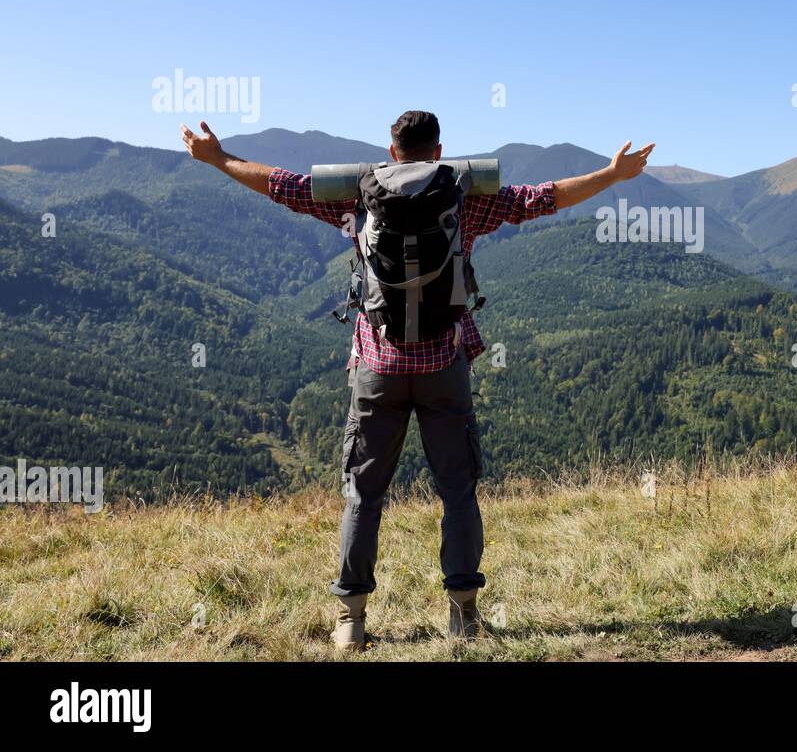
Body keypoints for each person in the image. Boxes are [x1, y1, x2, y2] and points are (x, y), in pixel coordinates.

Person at [181, 111, 653, 649]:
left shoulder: (354, 197)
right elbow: (543, 198)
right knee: (456, 490)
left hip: (376, 368)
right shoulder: (466, 197)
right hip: (443, 367)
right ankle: (464, 615)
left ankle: (351, 620)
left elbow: (281, 185)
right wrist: (612, 175)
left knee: (364, 494)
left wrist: (218, 158)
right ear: (439, 149)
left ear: (391, 149)